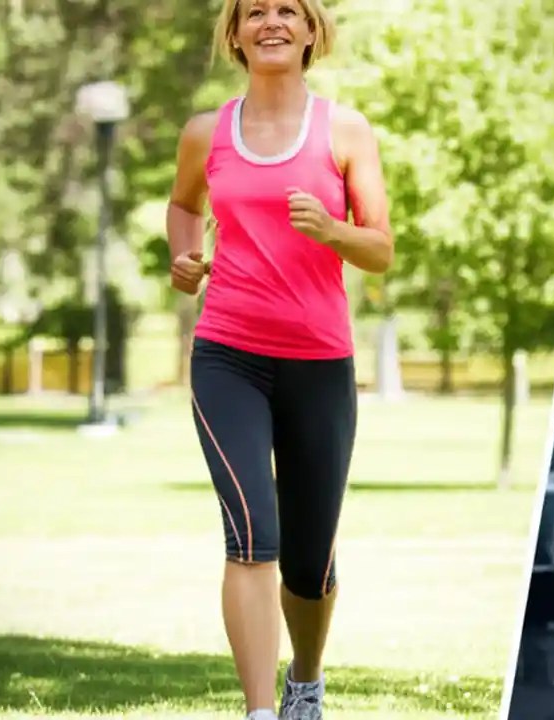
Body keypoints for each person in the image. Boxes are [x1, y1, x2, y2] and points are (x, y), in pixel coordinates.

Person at [164, 1, 393, 718]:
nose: (270, 21)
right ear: (233, 33)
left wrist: (332, 229)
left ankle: (306, 680)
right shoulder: (207, 132)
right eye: (253, 10)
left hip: (320, 364)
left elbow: (381, 248)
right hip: (228, 354)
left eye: (287, 9)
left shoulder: (346, 131)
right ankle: (261, 710)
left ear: (311, 31)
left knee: (310, 561)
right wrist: (182, 253)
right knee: (251, 534)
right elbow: (181, 205)